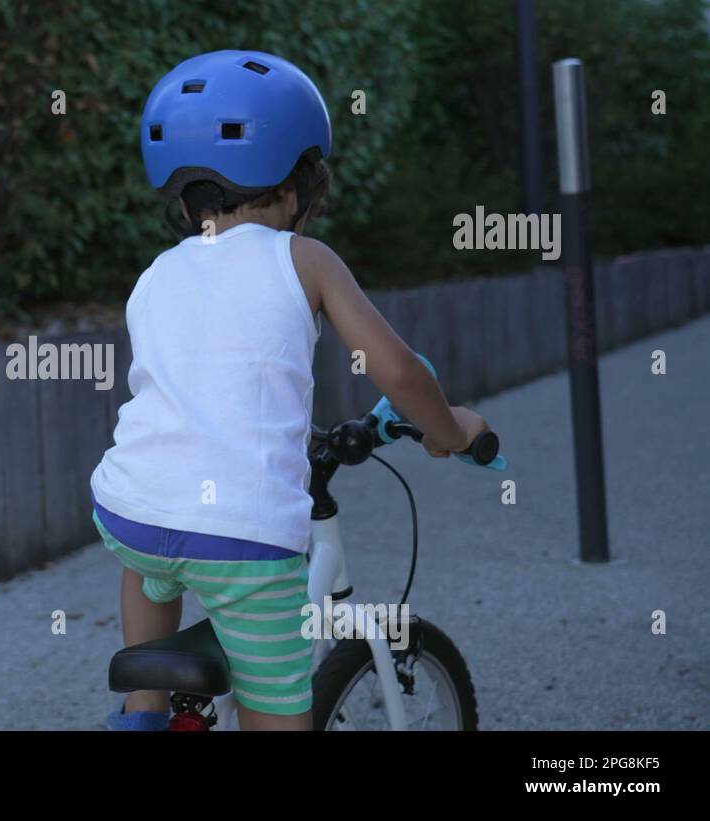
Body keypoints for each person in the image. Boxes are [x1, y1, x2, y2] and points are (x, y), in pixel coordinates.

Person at [90, 50, 490, 731]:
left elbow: (194, 382)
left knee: (154, 557)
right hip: (241, 538)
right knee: (275, 710)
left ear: (184, 197)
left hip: (127, 508)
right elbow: (396, 372)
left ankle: (142, 709)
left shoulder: (156, 273)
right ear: (295, 186)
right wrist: (450, 427)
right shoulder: (304, 259)